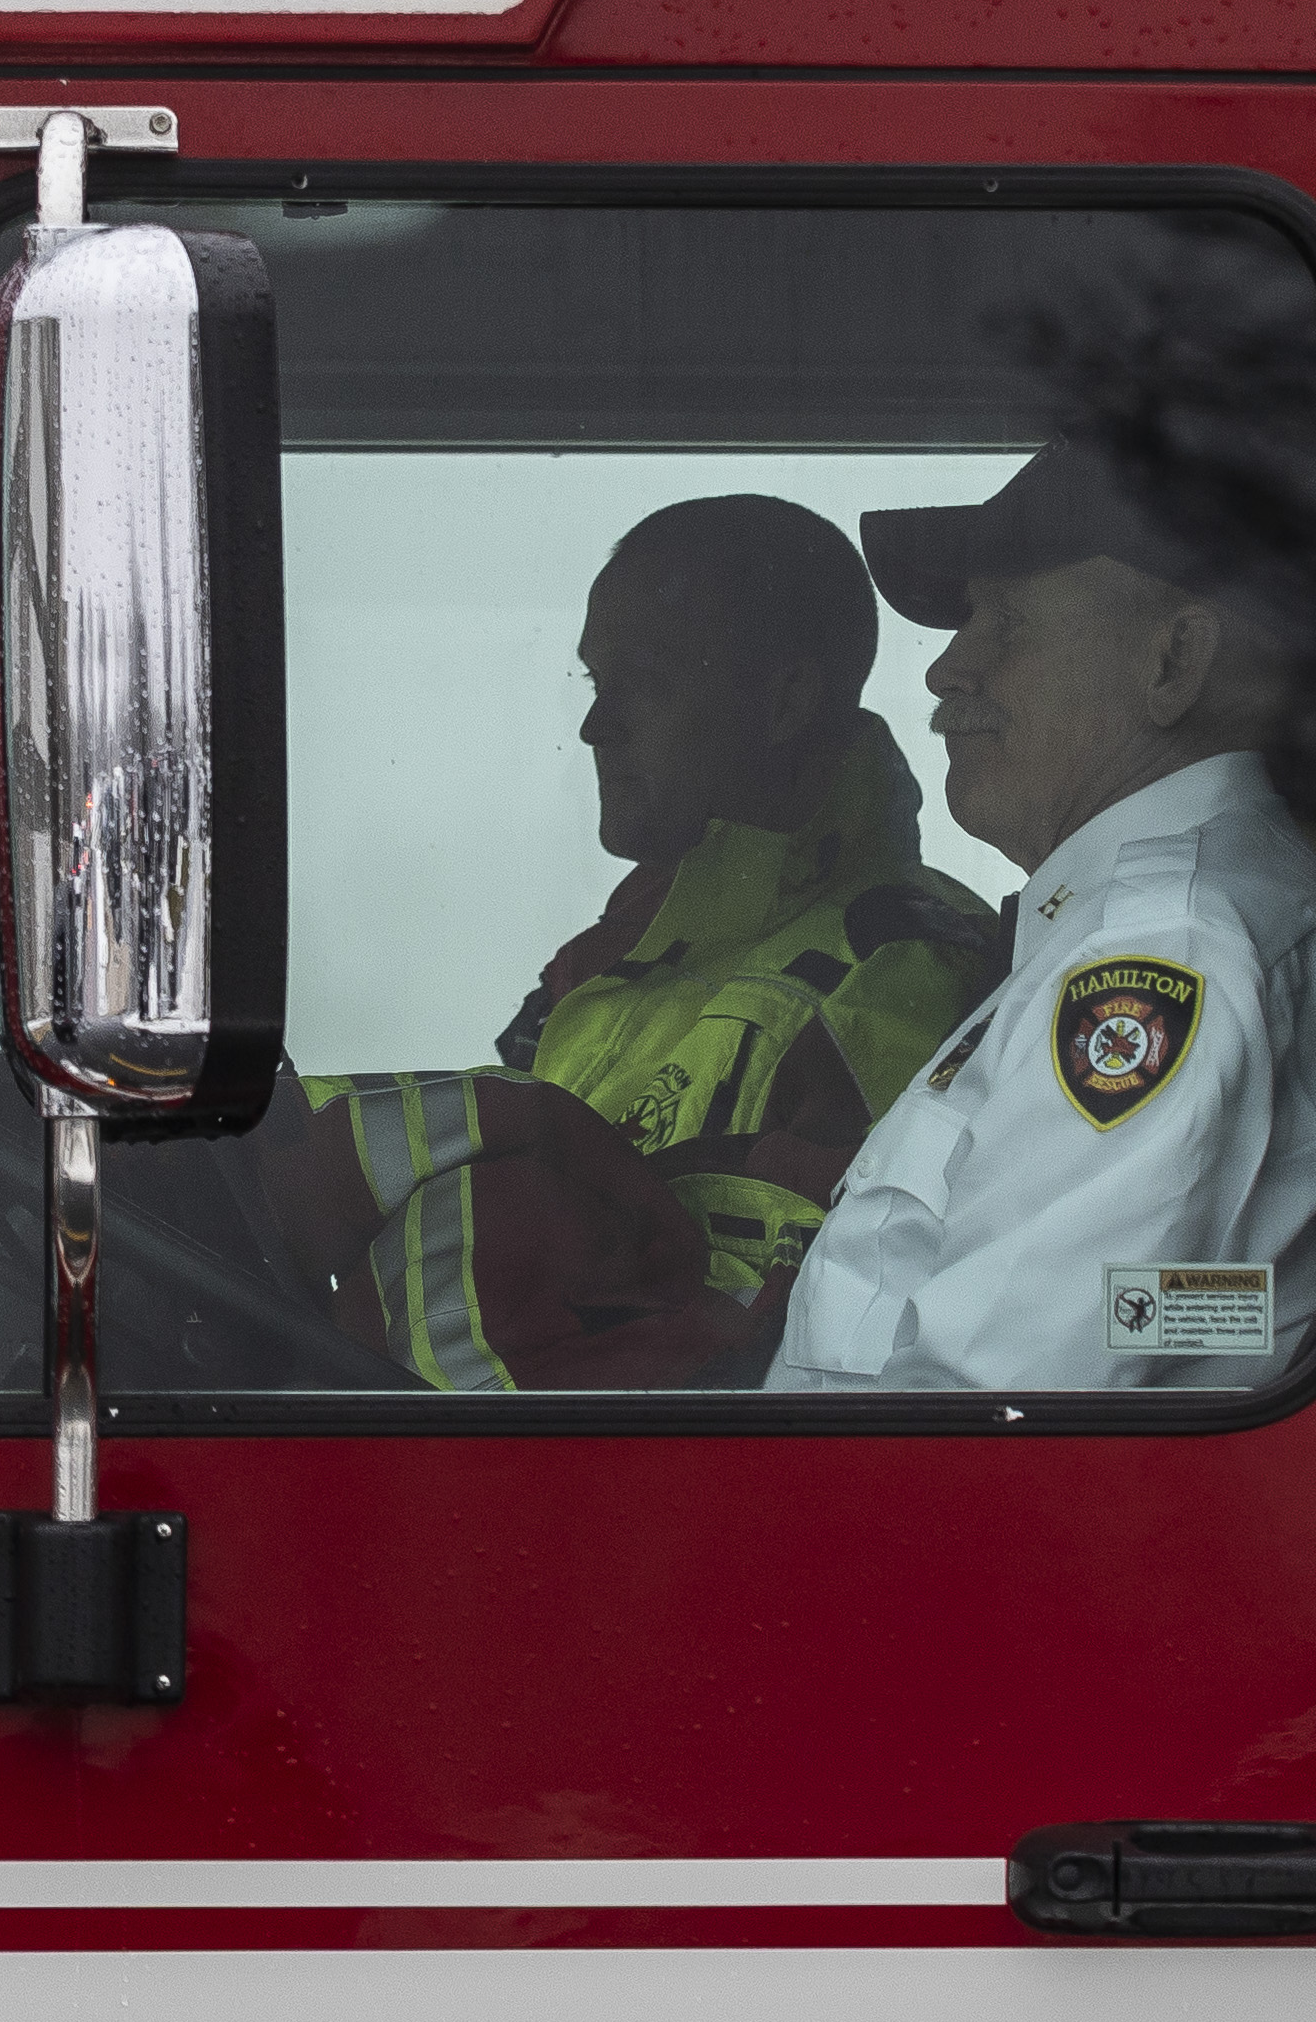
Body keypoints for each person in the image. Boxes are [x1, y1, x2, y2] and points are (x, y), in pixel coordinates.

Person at [257, 497, 996, 1390]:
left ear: (786, 700)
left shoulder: (904, 968)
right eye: (594, 684)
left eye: (639, 682)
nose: (594, 726)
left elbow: (784, 1348)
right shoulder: (597, 970)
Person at [768, 439, 1316, 1393]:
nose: (949, 669)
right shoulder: (1171, 921)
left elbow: (989, 1418)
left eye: (1006, 620)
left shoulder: (1163, 948)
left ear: (1173, 660)